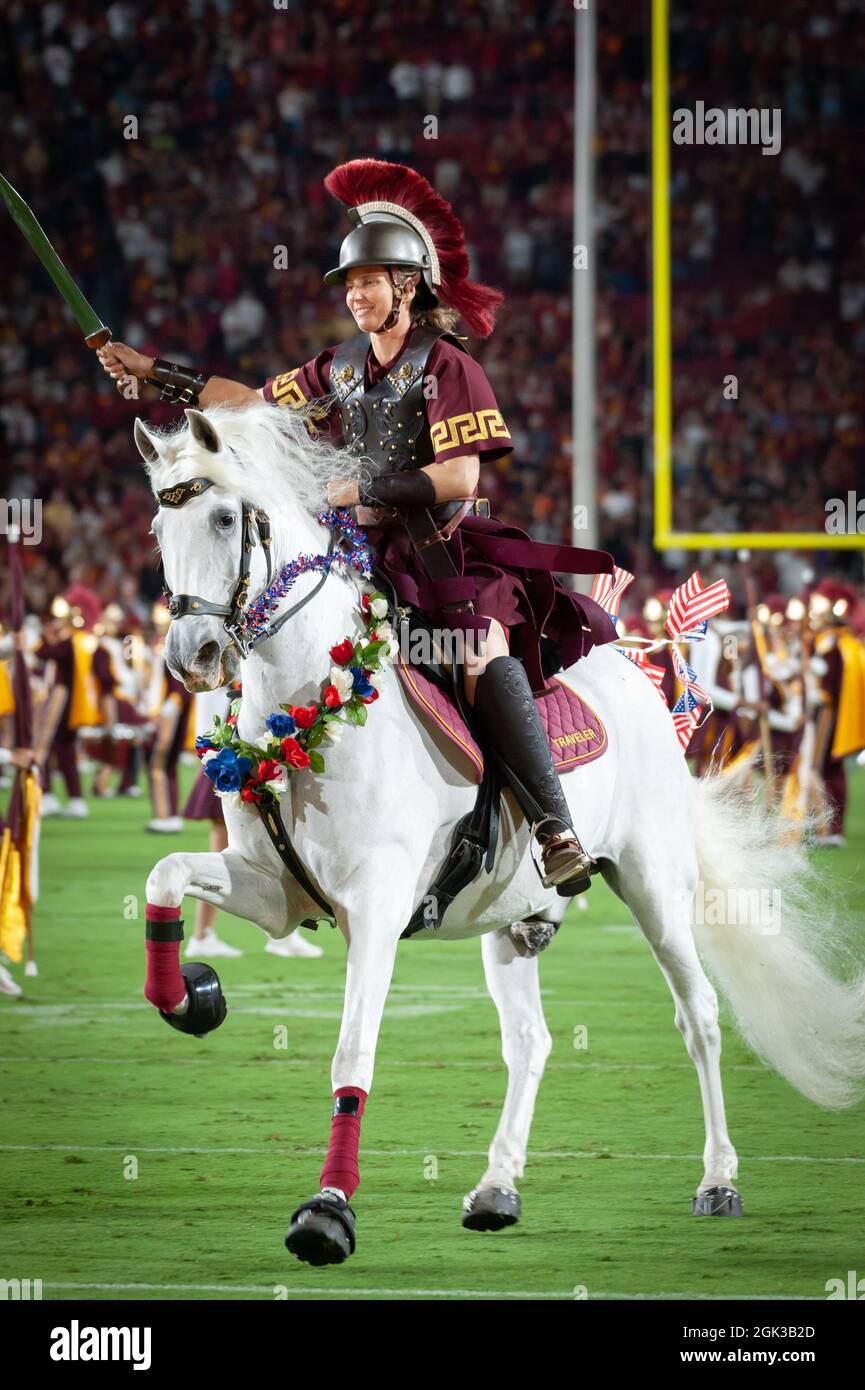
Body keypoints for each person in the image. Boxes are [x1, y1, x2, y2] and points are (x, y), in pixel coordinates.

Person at [97, 160, 620, 897]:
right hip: (352, 554)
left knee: (477, 651)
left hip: (439, 555)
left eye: (368, 282)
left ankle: (553, 829)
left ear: (407, 287)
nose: (355, 295)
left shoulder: (448, 366)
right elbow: (248, 402)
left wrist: (364, 484)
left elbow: (461, 479)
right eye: (349, 285)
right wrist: (154, 374)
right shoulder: (336, 366)